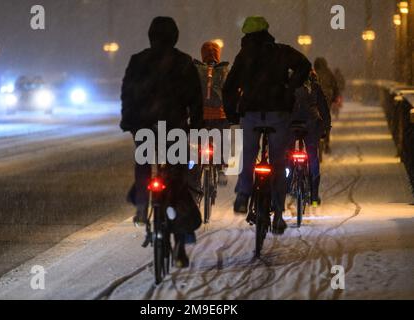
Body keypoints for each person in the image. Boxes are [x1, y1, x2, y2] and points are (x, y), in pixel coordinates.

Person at [120, 17, 204, 267]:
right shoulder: (183, 63)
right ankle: (180, 240)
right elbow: (195, 98)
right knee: (177, 181)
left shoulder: (138, 61)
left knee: (144, 163)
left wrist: (129, 120)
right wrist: (196, 125)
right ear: (175, 37)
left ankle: (142, 206)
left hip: (145, 125)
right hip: (174, 127)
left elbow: (127, 93)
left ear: (150, 36)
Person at [222, 16, 311, 235]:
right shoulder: (281, 51)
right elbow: (305, 65)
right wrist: (290, 87)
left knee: (249, 155)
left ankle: (243, 194)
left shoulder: (244, 56)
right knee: (278, 162)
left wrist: (232, 113)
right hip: (278, 113)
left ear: (246, 35)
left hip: (251, 113)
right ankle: (279, 215)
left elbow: (229, 86)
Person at [192, 41, 230, 192]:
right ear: (218, 55)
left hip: (200, 116)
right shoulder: (224, 71)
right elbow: (231, 92)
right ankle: (221, 168)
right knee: (222, 140)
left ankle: (194, 174)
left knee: (195, 145)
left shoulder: (196, 70)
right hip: (219, 116)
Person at [289, 70, 331, 206]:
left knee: (287, 154)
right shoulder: (315, 86)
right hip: (311, 125)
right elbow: (323, 109)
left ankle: (286, 184)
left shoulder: (289, 85)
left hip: (292, 124)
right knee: (312, 157)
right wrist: (326, 128)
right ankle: (314, 196)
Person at [313, 58, 338, 153]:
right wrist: (335, 97)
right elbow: (335, 86)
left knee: (314, 118)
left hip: (315, 99)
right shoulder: (329, 73)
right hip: (327, 98)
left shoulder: (313, 73)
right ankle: (326, 142)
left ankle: (314, 139)